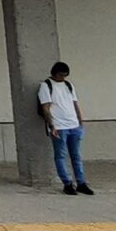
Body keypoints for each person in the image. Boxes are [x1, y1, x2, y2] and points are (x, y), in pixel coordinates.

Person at [38, 61, 92, 195]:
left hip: (74, 124)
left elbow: (75, 104)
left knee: (76, 156)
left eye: (65, 76)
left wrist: (80, 121)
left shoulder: (69, 85)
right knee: (61, 155)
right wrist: (52, 126)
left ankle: (81, 182)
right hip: (59, 126)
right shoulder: (46, 86)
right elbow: (45, 108)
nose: (63, 78)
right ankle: (67, 183)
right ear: (55, 73)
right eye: (61, 75)